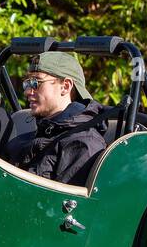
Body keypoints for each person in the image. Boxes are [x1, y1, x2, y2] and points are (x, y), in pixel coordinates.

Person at [13, 51, 106, 186]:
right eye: (27, 83)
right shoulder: (35, 134)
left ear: (66, 86)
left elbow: (60, 203)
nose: (27, 91)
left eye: (36, 83)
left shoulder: (84, 144)